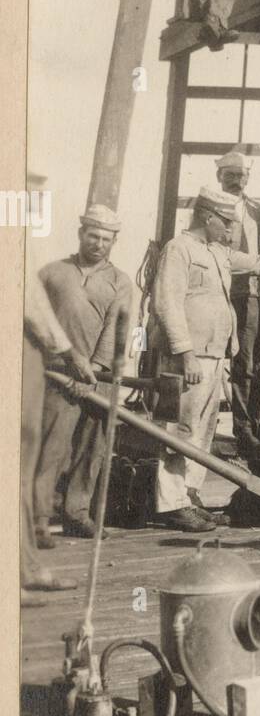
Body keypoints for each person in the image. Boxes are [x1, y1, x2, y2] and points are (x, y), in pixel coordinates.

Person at [151, 187, 260, 531]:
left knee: (203, 431)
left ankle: (189, 495)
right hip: (187, 359)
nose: (230, 229)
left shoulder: (219, 253)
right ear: (207, 217)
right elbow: (166, 304)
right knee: (178, 429)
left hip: (213, 357)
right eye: (225, 222)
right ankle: (171, 505)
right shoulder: (178, 250)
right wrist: (185, 353)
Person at [32, 205, 132, 542]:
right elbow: (35, 323)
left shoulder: (120, 282)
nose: (99, 243)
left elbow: (117, 331)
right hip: (56, 376)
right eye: (93, 236)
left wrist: (95, 371)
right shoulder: (51, 273)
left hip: (97, 380)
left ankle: (77, 514)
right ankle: (38, 520)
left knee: (92, 451)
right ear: (81, 234)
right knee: (51, 448)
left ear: (113, 241)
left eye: (106, 239)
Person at [21, 176, 96, 603]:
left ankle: (23, 563)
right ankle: (20, 569)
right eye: (33, 192)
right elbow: (30, 301)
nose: (39, 201)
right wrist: (70, 353)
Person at [213, 146, 260, 456]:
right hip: (217, 292)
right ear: (219, 177)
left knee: (250, 363)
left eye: (241, 176)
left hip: (252, 294)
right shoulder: (210, 207)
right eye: (229, 175)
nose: (236, 181)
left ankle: (247, 429)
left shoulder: (257, 209)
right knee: (210, 361)